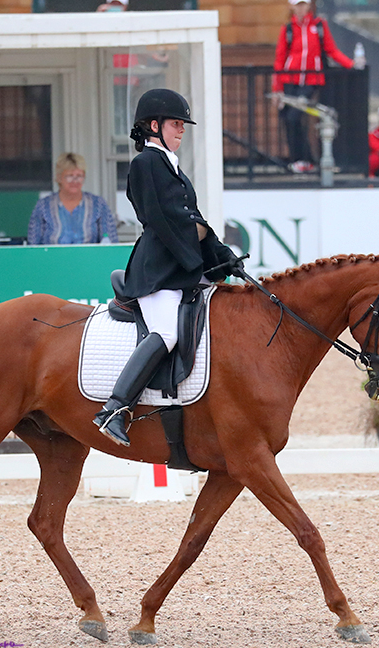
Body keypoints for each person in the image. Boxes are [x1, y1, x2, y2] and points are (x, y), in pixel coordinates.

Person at [92, 89, 243, 447]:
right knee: (167, 333)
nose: (182, 130)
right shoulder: (145, 163)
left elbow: (193, 219)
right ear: (154, 125)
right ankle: (114, 409)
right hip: (157, 271)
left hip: (178, 265)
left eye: (182, 125)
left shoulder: (171, 164)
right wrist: (199, 259)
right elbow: (164, 219)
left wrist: (223, 258)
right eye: (176, 124)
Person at [272, 0, 355, 174]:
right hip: (290, 80)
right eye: (298, 5)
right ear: (292, 7)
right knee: (289, 120)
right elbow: (280, 59)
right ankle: (298, 159)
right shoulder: (288, 29)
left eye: (304, 4)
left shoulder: (319, 26)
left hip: (311, 80)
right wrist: (277, 88)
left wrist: (351, 64)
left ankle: (306, 159)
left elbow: (332, 50)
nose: (301, 8)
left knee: (295, 116)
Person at [27, 153, 119, 245]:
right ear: (59, 178)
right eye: (70, 176)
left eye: (79, 176)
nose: (75, 181)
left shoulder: (98, 204)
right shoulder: (43, 206)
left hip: (89, 254)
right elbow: (33, 245)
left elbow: (110, 242)